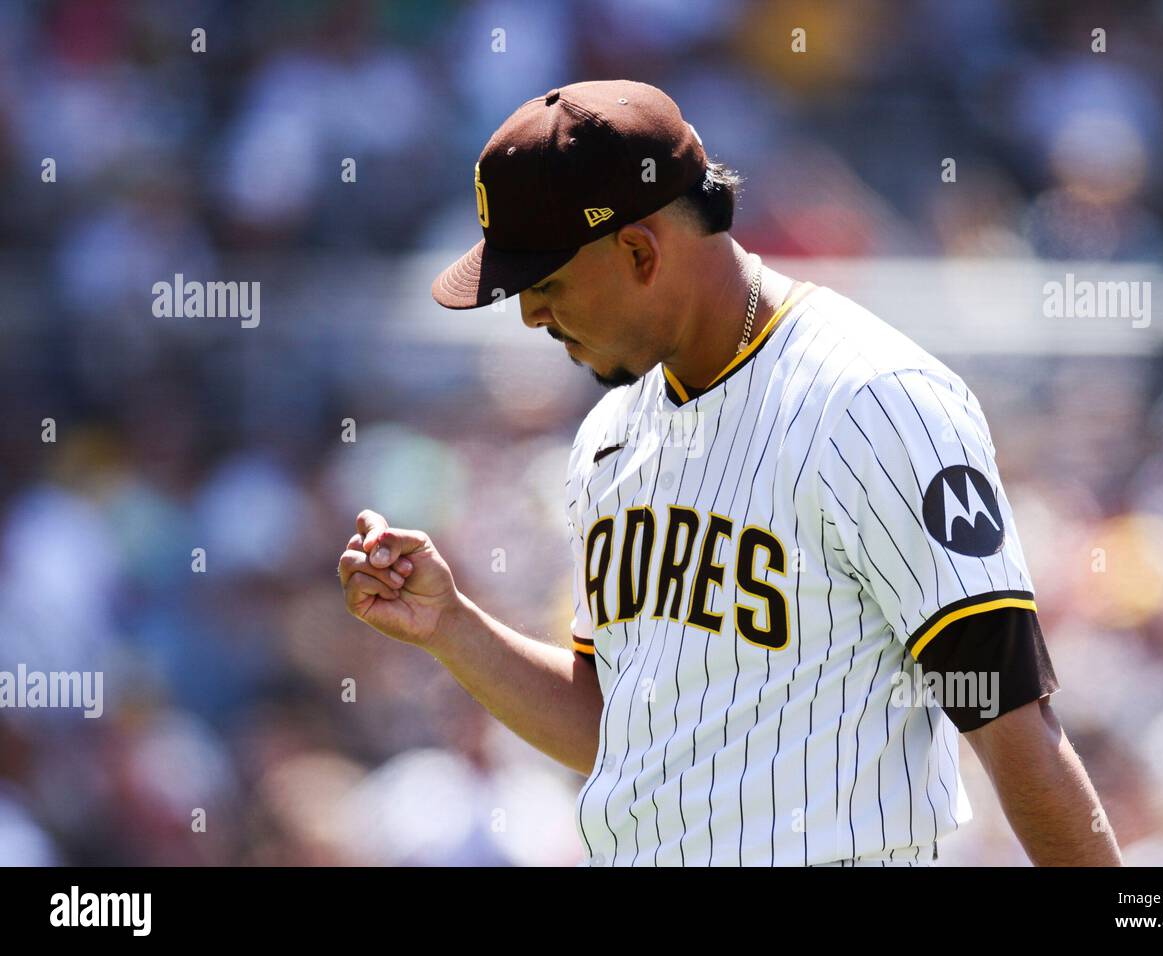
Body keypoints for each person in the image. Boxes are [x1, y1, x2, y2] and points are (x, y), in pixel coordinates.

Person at [337, 79, 1122, 867]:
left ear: (640, 250)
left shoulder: (877, 402)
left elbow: (1012, 723)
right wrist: (452, 629)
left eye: (544, 285)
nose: (531, 317)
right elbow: (615, 731)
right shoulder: (611, 434)